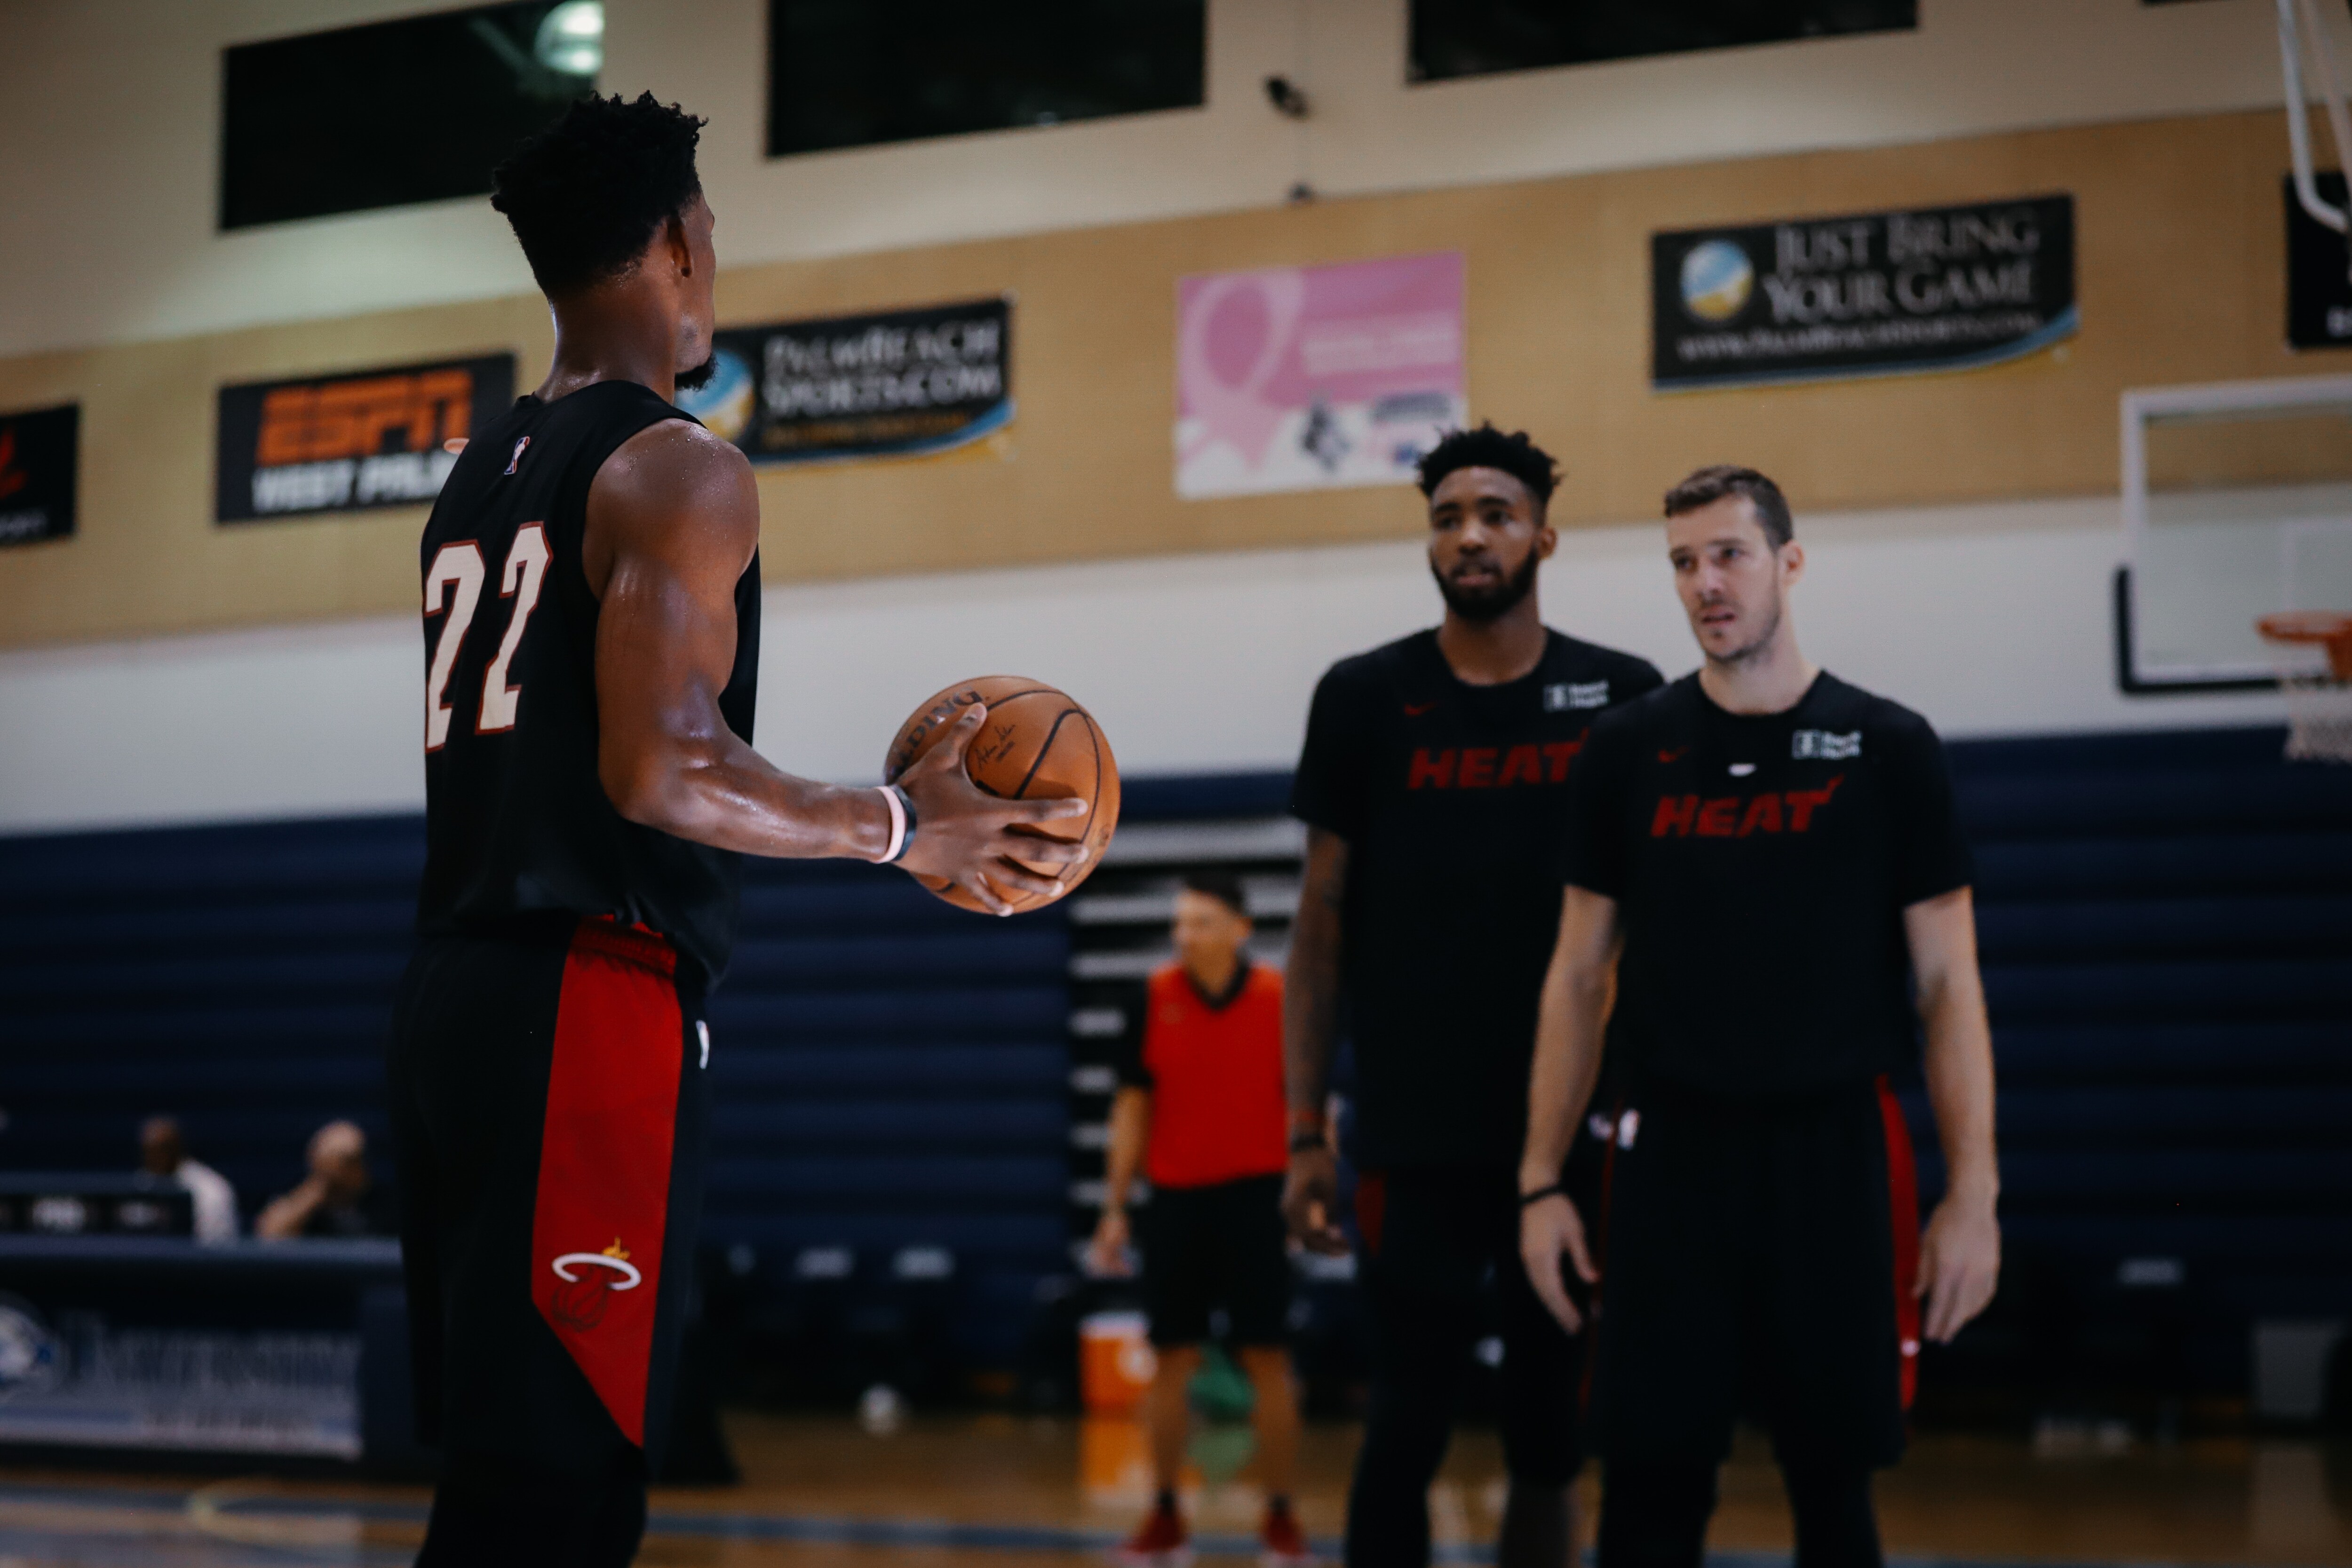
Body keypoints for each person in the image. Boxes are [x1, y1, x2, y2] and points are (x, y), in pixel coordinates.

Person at [389, 93, 1089, 1567]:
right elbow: (666, 770)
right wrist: (907, 826)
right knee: (565, 1488)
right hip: (584, 1002)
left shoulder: (478, 474)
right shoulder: (680, 467)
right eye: (710, 227)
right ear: (671, 245)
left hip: (456, 994)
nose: (716, 252)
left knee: (506, 1473)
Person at [1518, 465, 2001, 1568]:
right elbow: (1577, 975)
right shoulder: (1625, 753)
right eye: (1683, 562)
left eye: (1728, 554)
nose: (1705, 584)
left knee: (1835, 1489)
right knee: (1646, 1489)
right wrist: (1538, 1178)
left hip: (1834, 1159)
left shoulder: (1890, 750)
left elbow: (1948, 987)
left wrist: (1973, 1192)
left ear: (1789, 561)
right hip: (1669, 1156)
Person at [1282, 425, 1664, 1568]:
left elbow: (1656, 927)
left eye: (1495, 513)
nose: (1469, 535)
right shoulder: (1364, 697)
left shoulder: (1626, 699)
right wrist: (1304, 1128)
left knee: (1552, 1436)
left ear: (1543, 535)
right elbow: (1316, 928)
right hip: (1414, 1135)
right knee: (1401, 1424)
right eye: (1447, 517)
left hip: (1572, 1138)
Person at [1090, 870, 1308, 1568]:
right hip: (1177, 1201)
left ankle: (1280, 1519)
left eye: (1202, 922)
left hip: (1259, 1197)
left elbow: (1311, 1106)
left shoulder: (1281, 1000)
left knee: (1268, 1358)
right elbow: (1130, 1110)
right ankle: (1163, 1516)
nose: (1186, 935)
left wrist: (1312, 1191)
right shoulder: (1150, 999)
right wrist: (1116, 1207)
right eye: (1180, 922)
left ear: (1241, 929)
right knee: (1171, 1358)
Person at [256, 1119, 394, 1239]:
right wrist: (320, 1187)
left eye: (350, 1161)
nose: (342, 1172)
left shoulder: (385, 1203)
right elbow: (269, 1236)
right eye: (333, 1161)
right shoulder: (303, 1199)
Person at [138, 1116, 238, 1244]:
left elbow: (216, 1245)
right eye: (148, 1152)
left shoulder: (212, 1191)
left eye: (164, 1149)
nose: (154, 1158)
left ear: (178, 1148)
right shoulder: (142, 1183)